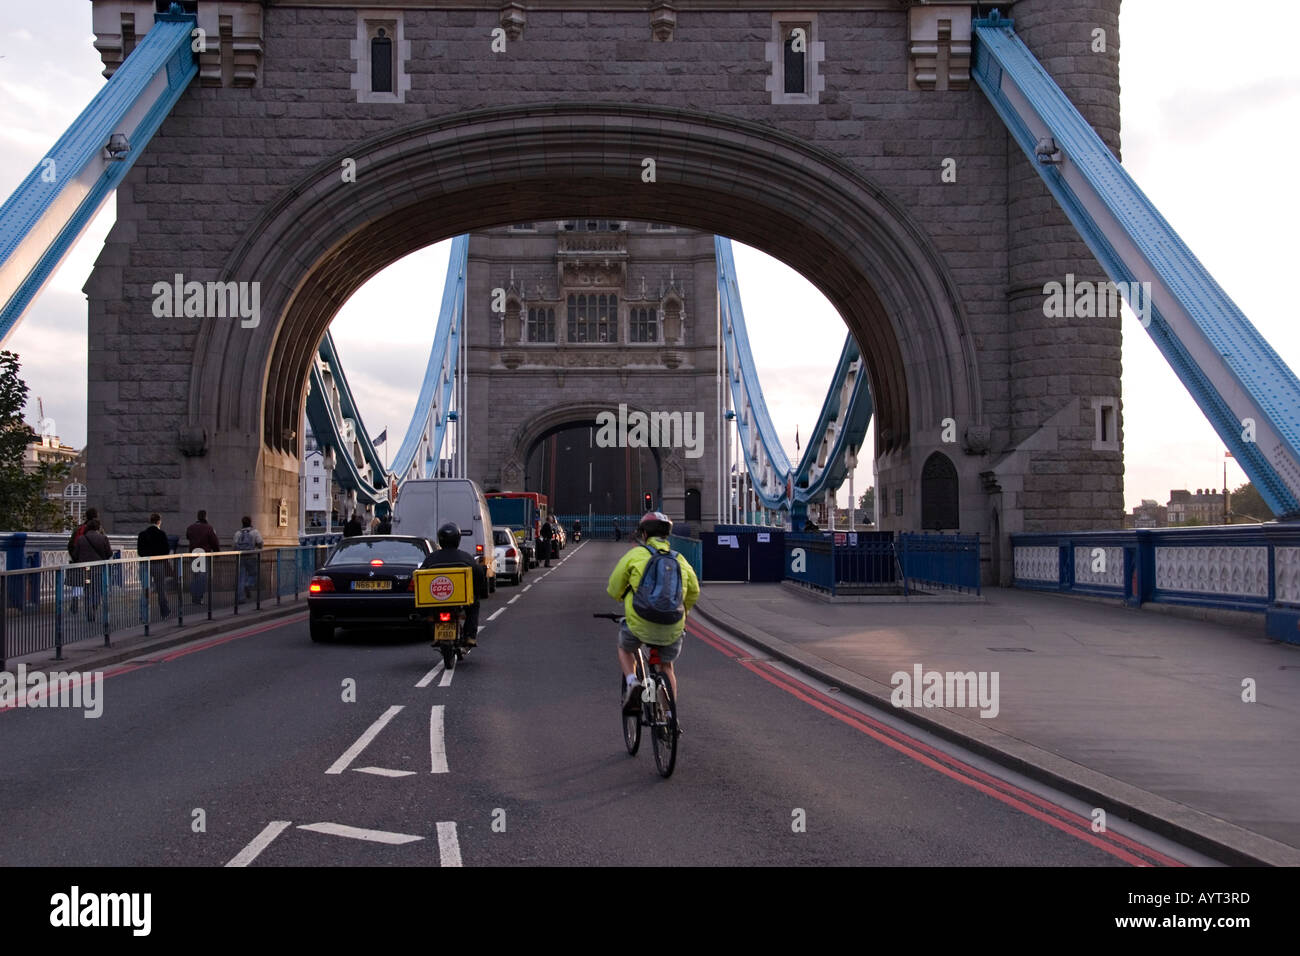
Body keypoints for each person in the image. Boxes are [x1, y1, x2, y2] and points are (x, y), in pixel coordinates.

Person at [606, 511, 700, 721]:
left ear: (644, 534)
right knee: (666, 667)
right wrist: (683, 613)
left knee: (625, 647)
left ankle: (632, 683)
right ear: (667, 535)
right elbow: (693, 592)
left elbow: (613, 589)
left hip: (639, 623)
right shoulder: (680, 559)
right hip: (672, 626)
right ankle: (670, 716)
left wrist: (623, 596)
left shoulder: (636, 555)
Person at [419, 522, 489, 647]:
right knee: (474, 605)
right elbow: (478, 573)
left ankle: (432, 626)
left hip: (436, 600)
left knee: (428, 611)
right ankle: (470, 636)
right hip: (460, 598)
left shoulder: (431, 558)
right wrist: (476, 590)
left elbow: (421, 578)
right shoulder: (465, 557)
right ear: (458, 539)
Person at [72, 517, 112, 621]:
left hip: (85, 570)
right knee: (97, 590)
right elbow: (109, 553)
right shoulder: (103, 538)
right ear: (98, 527)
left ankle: (88, 609)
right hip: (98, 569)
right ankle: (94, 606)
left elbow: (75, 555)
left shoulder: (81, 539)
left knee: (87, 590)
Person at [137, 513, 172, 621]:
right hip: (158, 563)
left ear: (150, 521)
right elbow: (166, 550)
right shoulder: (161, 534)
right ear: (159, 522)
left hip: (145, 563)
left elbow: (139, 551)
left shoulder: (142, 534)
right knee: (161, 588)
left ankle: (144, 615)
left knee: (145, 590)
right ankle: (164, 612)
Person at [185, 510, 220, 605]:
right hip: (203, 553)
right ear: (205, 516)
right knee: (202, 576)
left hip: (193, 553)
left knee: (195, 575)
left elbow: (188, 537)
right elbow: (214, 541)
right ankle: (199, 596)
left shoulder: (190, 527)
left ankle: (194, 595)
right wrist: (217, 552)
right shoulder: (209, 528)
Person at [233, 515, 264, 601]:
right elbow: (260, 543)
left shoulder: (238, 533)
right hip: (251, 556)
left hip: (241, 557)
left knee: (241, 577)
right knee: (253, 574)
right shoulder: (255, 532)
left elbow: (234, 546)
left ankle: (240, 598)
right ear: (250, 522)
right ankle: (248, 584)